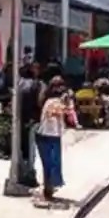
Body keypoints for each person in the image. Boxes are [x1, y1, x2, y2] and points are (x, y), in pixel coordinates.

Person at [34, 76, 72, 207]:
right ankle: (47, 192)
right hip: (48, 136)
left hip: (49, 135)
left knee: (50, 165)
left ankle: (48, 190)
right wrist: (66, 102)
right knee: (51, 165)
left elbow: (67, 112)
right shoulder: (52, 102)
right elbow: (59, 111)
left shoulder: (50, 100)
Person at [15, 64, 43, 188]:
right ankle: (29, 175)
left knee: (21, 148)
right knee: (31, 150)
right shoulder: (36, 84)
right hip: (32, 120)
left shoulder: (19, 84)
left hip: (19, 120)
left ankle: (21, 173)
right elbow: (39, 101)